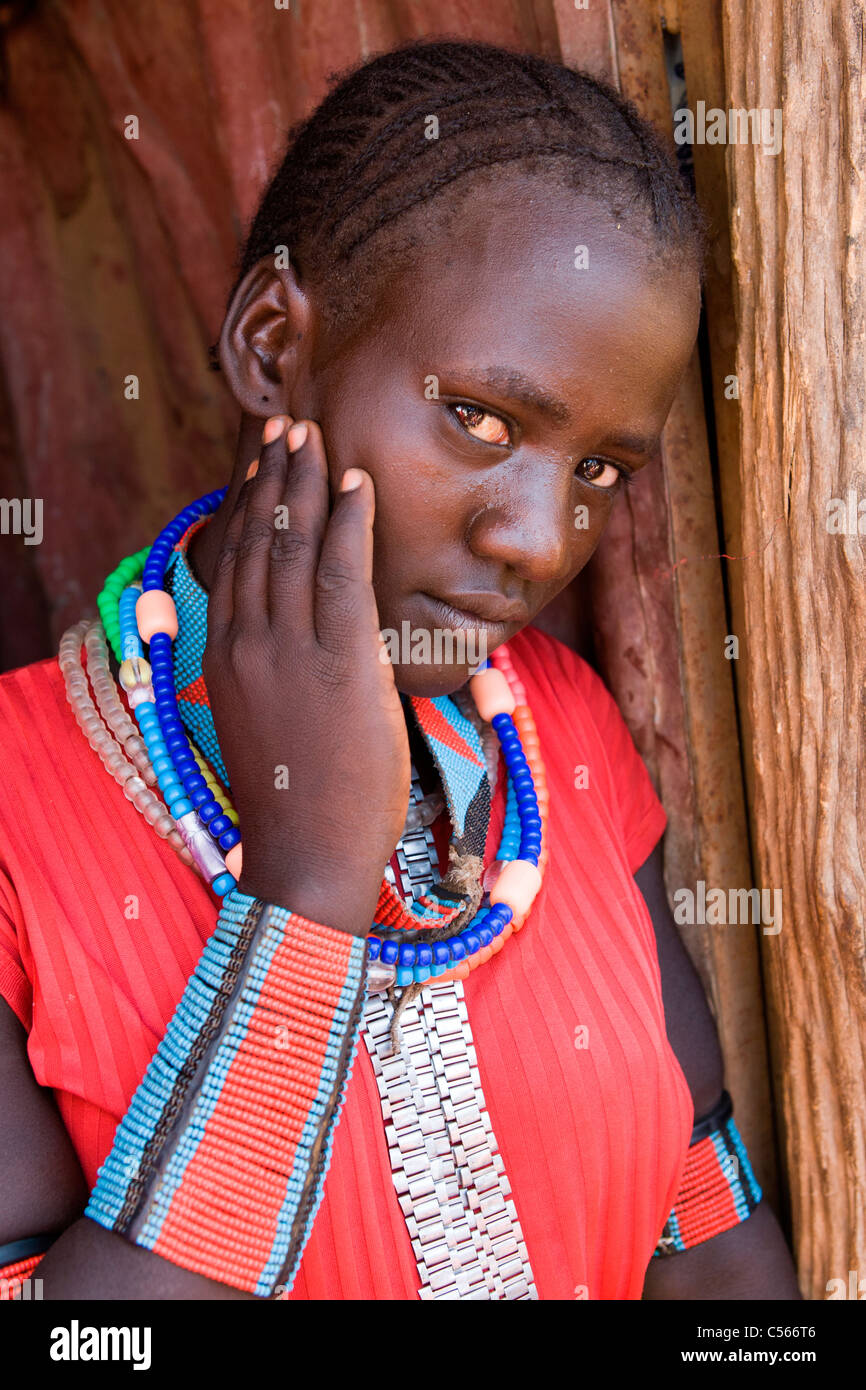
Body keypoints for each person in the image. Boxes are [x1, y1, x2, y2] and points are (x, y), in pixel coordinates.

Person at [0, 37, 801, 1300]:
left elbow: (710, 1261)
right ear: (273, 346)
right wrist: (305, 893)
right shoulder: (14, 816)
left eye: (598, 470)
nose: (538, 542)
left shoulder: (562, 738)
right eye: (480, 418)